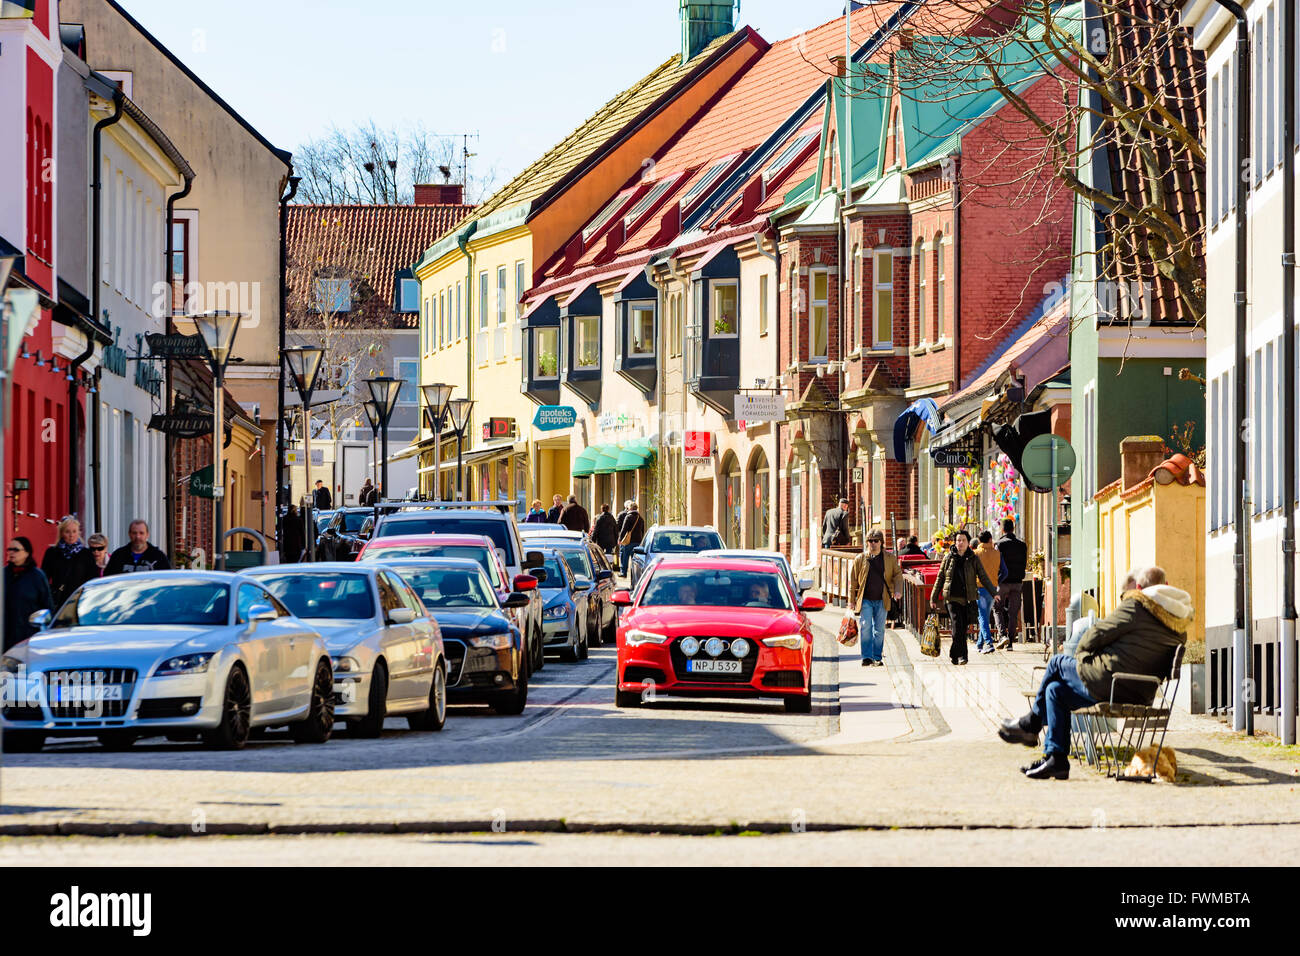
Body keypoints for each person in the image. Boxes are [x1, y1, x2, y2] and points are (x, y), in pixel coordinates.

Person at [999, 566, 1190, 780]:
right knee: (1055, 691)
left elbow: (1093, 635)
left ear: (1138, 588)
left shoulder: (1137, 605)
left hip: (1108, 683)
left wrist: (1084, 660)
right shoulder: (1179, 622)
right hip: (1140, 696)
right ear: (1165, 586)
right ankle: (1056, 759)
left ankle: (1030, 725)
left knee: (1057, 663)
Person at [930, 530, 996, 665]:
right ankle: (963, 656)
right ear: (955, 542)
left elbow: (983, 576)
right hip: (951, 598)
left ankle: (954, 654)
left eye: (963, 540)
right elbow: (940, 578)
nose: (960, 543)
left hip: (967, 598)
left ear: (968, 543)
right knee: (957, 625)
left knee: (963, 628)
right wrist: (933, 598)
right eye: (958, 540)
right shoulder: (948, 558)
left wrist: (994, 592)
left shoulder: (973, 558)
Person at [848, 530, 902, 667]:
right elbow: (853, 581)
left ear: (881, 542)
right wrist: (851, 600)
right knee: (866, 627)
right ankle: (866, 657)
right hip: (865, 599)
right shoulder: (860, 559)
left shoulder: (889, 558)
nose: (872, 544)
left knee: (879, 629)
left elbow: (897, 575)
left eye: (875, 541)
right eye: (870, 541)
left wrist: (897, 590)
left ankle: (877, 657)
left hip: (882, 599)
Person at [4, 537, 53, 651]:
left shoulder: (37, 576)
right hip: (6, 636)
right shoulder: (4, 575)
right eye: (9, 549)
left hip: (28, 635)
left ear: (27, 553)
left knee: (22, 667)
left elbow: (47, 606)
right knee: (7, 667)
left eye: (15, 549)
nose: (11, 552)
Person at [40, 516, 97, 609]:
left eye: (74, 531)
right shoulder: (52, 552)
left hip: (79, 600)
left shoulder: (86, 554)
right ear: (62, 533)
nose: (71, 535)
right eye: (67, 531)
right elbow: (44, 577)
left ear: (78, 533)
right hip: (58, 601)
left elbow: (92, 578)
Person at [993, 517, 1028, 649]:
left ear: (1002, 530)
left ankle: (1002, 636)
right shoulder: (1022, 544)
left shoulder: (999, 544)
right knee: (1013, 612)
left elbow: (996, 564)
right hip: (1017, 582)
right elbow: (1024, 562)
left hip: (1002, 582)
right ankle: (1011, 642)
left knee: (997, 608)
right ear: (1013, 528)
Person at [973, 531, 1003, 654]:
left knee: (982, 616)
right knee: (984, 615)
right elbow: (1003, 571)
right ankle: (979, 644)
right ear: (990, 539)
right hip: (993, 588)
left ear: (979, 541)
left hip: (980, 587)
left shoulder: (975, 554)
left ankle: (988, 642)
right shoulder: (997, 554)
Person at [106, 520, 171, 574]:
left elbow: (167, 580)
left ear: (147, 535)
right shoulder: (118, 555)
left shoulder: (158, 557)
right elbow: (108, 579)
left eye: (141, 533)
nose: (138, 537)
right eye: (134, 533)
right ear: (129, 534)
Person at [616, 501, 645, 577]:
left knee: (624, 557)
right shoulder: (640, 518)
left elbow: (624, 529)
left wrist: (620, 539)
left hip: (628, 541)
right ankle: (634, 574)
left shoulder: (628, 517)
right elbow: (642, 531)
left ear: (630, 508)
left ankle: (623, 572)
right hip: (637, 541)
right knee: (634, 560)